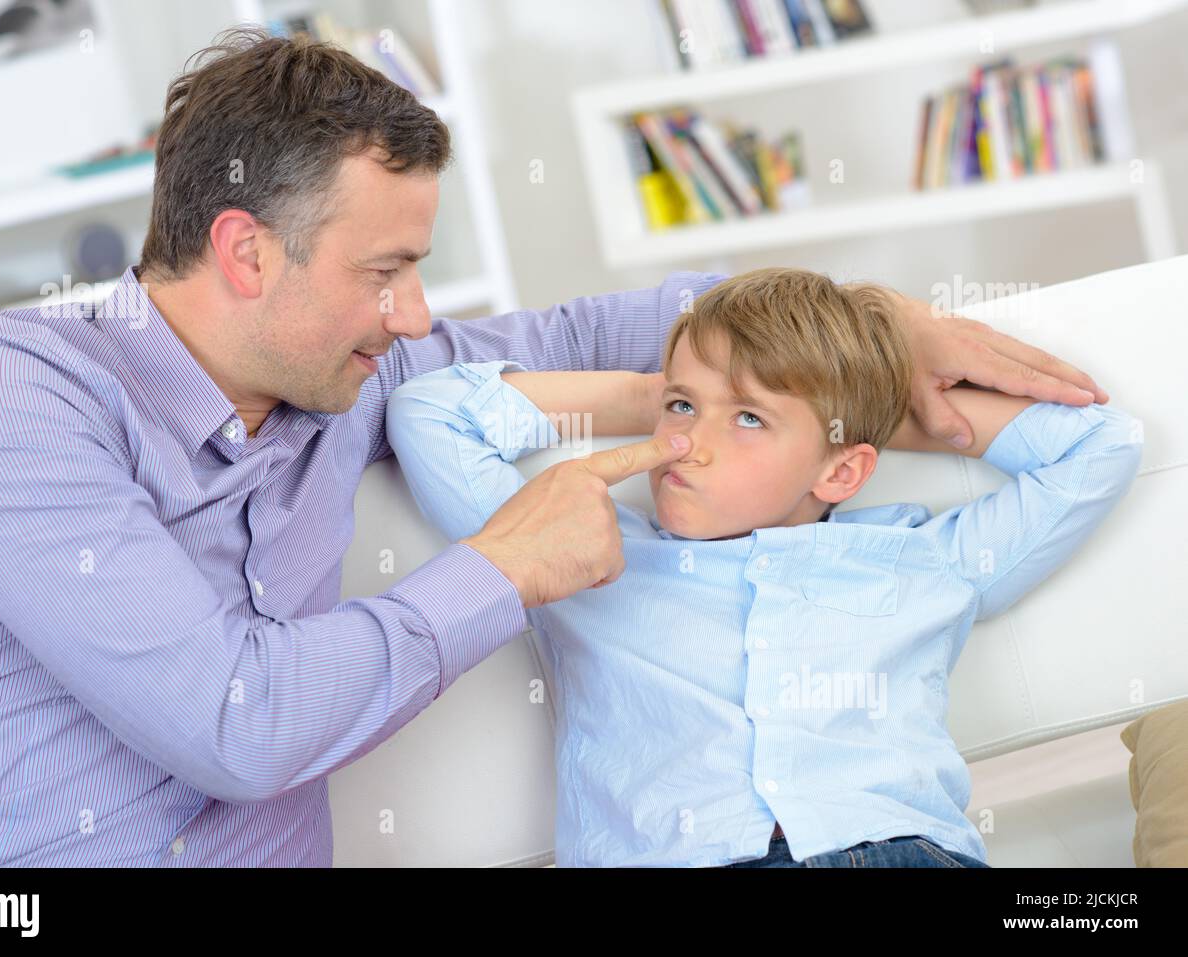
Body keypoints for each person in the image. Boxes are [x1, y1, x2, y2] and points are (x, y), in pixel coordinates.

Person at [0, 31, 1107, 866]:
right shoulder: (10, 409)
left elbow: (587, 330)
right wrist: (508, 565)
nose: (417, 316)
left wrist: (870, 321)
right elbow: (237, 722)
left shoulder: (343, 368)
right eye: (387, 271)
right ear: (247, 252)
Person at [385, 267, 1142, 867]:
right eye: (683, 407)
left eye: (749, 417)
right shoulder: (580, 551)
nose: (690, 443)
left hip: (900, 852)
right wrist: (651, 395)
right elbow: (430, 410)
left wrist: (892, 419)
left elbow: (1101, 446)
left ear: (846, 473)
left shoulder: (924, 559)